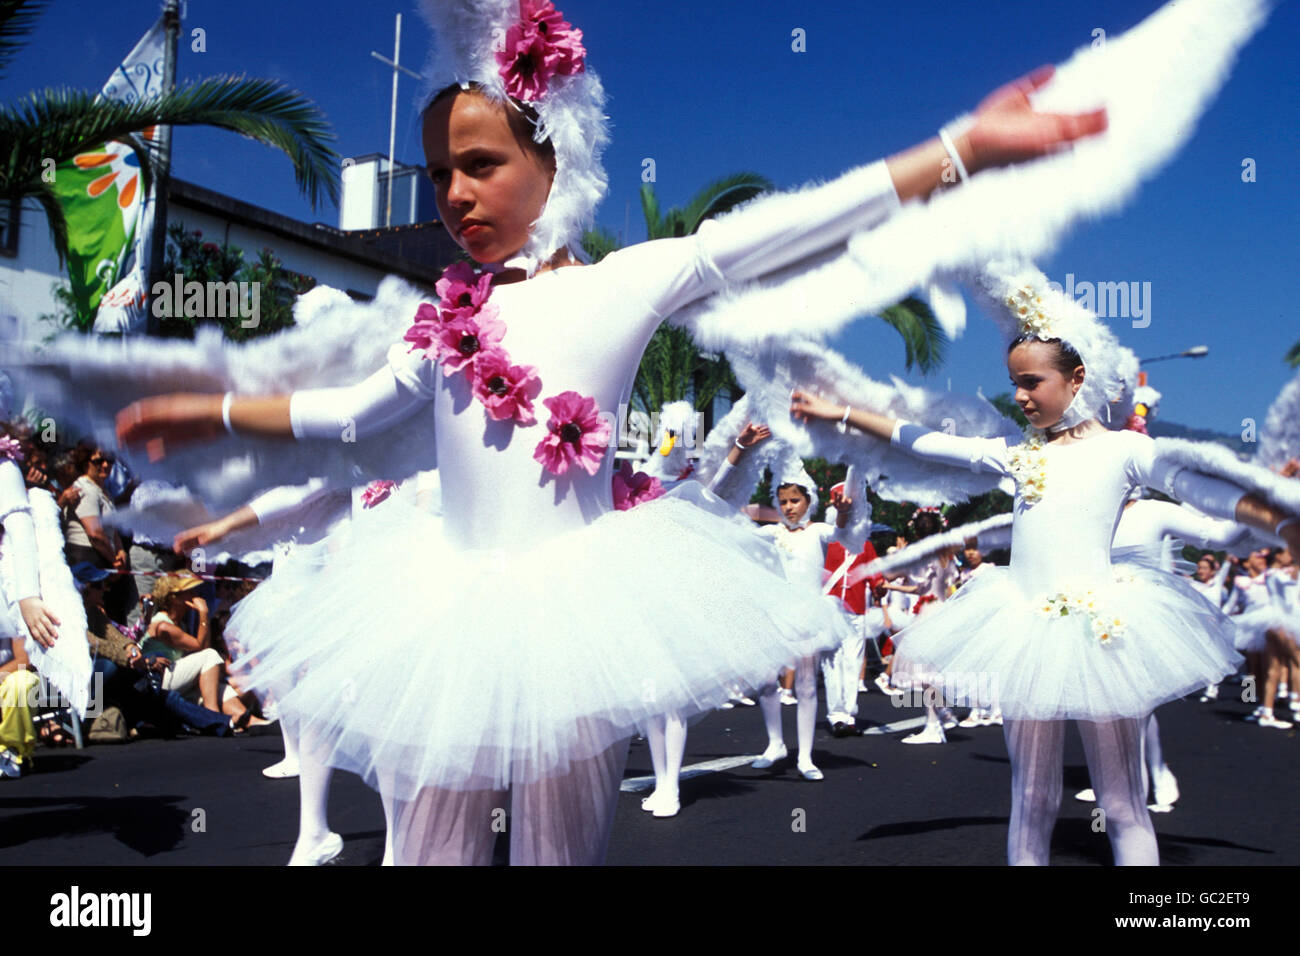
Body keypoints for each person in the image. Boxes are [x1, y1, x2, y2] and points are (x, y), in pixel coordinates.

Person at [97, 0, 1107, 864]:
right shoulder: (447, 317)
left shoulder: (627, 283)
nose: (454, 193)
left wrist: (960, 148)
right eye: (440, 171)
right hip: (445, 607)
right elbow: (351, 414)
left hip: (575, 619)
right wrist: (214, 403)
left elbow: (783, 230)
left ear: (554, 158)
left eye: (481, 164)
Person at [791, 264, 1300, 865]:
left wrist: (1284, 519)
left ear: (1076, 377)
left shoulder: (1125, 450)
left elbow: (1200, 488)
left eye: (1032, 382)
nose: (1020, 396)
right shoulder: (1015, 455)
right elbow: (923, 439)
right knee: (1031, 796)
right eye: (1014, 383)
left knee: (1120, 802)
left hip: (1101, 632)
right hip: (1023, 627)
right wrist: (843, 415)